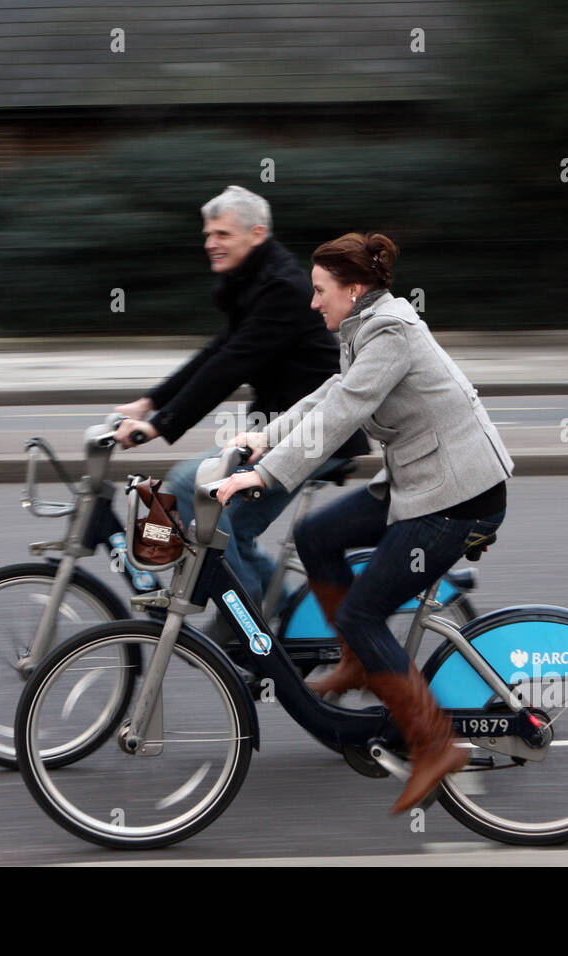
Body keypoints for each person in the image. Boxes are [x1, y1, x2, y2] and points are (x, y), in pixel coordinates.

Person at [216, 231, 514, 813]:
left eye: (320, 290)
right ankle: (357, 660)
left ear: (352, 290)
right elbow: (330, 395)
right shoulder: (366, 327)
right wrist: (263, 437)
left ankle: (432, 744)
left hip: (459, 497)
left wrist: (267, 475)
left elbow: (342, 416)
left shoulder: (391, 333)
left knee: (362, 610)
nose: (312, 301)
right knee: (315, 535)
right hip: (421, 483)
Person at [113, 186, 368, 606]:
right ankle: (278, 617)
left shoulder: (282, 288)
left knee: (188, 485)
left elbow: (230, 366)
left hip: (316, 433)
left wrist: (158, 427)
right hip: (278, 430)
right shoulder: (252, 283)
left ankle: (251, 627)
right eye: (208, 234)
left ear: (257, 233)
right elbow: (216, 353)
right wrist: (150, 404)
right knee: (230, 531)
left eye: (223, 234)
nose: (211, 243)